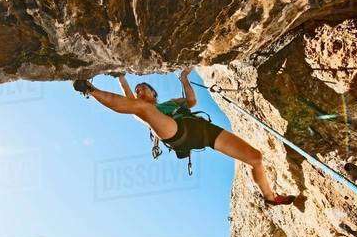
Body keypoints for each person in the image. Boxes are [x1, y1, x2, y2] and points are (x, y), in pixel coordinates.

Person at [72, 68, 296, 205]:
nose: (139, 91)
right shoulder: (144, 111)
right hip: (175, 134)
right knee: (143, 109)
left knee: (255, 157)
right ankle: (90, 90)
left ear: (154, 93)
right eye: (138, 90)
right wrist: (122, 78)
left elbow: (191, 102)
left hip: (203, 132)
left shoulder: (169, 103)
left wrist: (184, 79)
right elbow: (130, 102)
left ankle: (270, 197)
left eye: (143, 88)